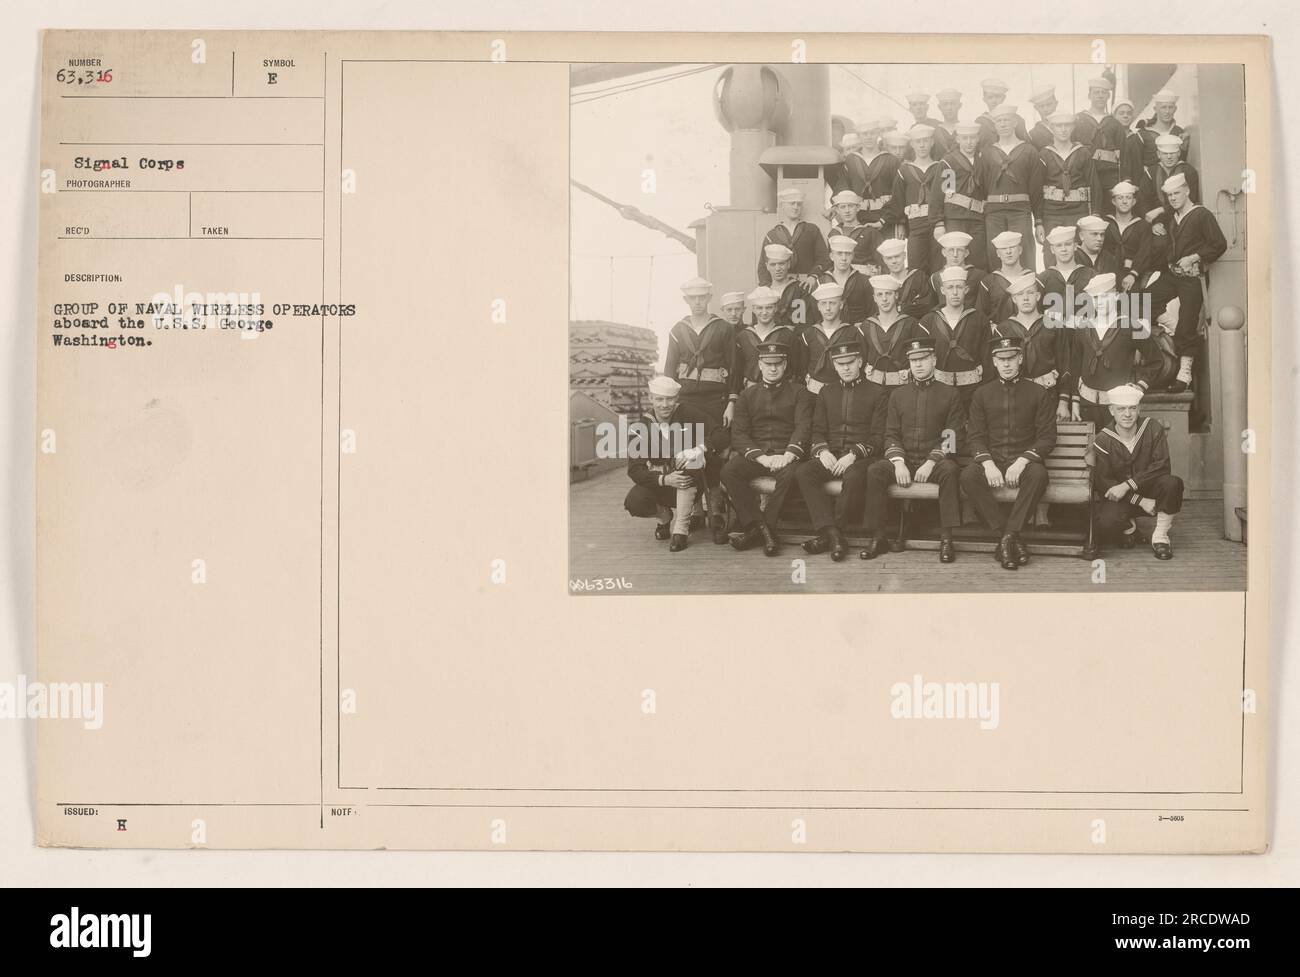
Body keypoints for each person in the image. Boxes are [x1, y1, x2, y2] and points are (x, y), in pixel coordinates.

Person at [862, 337, 965, 562]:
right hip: (905, 459)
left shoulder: (950, 394)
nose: (918, 364)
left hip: (935, 462)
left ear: (934, 359)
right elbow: (891, 434)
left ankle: (946, 539)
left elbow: (952, 436)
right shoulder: (898, 395)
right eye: (913, 360)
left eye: (923, 359)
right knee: (875, 471)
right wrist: (898, 462)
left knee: (950, 471)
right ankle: (878, 536)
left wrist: (931, 462)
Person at [960, 335, 1057, 571]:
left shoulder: (1038, 393)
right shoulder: (982, 394)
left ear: (1020, 358)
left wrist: (1022, 461)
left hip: (1022, 461)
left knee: (1039, 475)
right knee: (967, 476)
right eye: (1000, 359)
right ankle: (1009, 535)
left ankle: (1006, 538)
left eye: (1011, 358)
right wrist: (988, 464)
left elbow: (1047, 438)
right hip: (993, 460)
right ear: (993, 361)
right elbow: (975, 436)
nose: (1006, 364)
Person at [796, 341, 889, 561]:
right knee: (804, 472)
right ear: (834, 365)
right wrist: (823, 451)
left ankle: (831, 534)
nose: (845, 368)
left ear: (860, 362)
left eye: (850, 363)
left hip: (861, 457)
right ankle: (833, 533)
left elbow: (878, 437)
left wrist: (853, 454)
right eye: (840, 363)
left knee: (855, 475)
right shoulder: (827, 392)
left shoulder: (878, 392)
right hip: (831, 455)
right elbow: (817, 431)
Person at [722, 342, 813, 556]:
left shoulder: (799, 392)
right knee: (729, 471)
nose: (773, 369)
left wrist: (788, 455)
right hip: (759, 456)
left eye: (778, 363)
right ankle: (762, 529)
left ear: (785, 364)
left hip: (787, 456)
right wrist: (761, 458)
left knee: (793, 475)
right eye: (768, 364)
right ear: (760, 365)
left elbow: (804, 426)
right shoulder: (747, 395)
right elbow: (739, 434)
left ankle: (761, 530)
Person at [1147, 171, 1228, 392]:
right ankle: (1177, 328)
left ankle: (1184, 375)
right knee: (1143, 301)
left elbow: (1219, 244)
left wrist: (1195, 256)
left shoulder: (1201, 214)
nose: (1173, 198)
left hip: (1193, 278)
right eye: (1170, 195)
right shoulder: (1172, 217)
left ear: (1187, 191)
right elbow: (1159, 220)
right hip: (1173, 275)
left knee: (1188, 322)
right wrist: (1156, 223)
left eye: (1177, 193)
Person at [623, 375, 719, 552]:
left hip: (691, 482)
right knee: (634, 502)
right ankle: (664, 517)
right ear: (650, 398)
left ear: (676, 398)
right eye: (659, 399)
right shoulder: (640, 427)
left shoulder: (688, 413)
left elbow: (720, 433)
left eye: (669, 399)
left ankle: (681, 529)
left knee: (691, 463)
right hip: (662, 483)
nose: (664, 405)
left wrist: (699, 449)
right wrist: (664, 479)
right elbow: (635, 469)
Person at [1091, 383, 1184, 559]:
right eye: (1121, 409)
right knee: (1104, 523)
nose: (1127, 414)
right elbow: (1104, 483)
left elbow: (1162, 465)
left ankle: (1160, 537)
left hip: (1149, 490)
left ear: (1139, 409)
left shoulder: (1152, 427)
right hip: (1123, 499)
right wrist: (1140, 500)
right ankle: (1129, 526)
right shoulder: (1103, 439)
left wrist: (1128, 485)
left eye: (1132, 408)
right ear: (1111, 410)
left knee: (1173, 483)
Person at [1070, 272, 1160, 429]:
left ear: (1117, 296)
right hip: (1086, 404)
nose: (1100, 302)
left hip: (1118, 407)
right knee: (1090, 452)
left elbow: (1157, 360)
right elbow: (1075, 366)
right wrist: (1075, 401)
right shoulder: (1083, 328)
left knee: (1117, 451)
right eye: (1095, 298)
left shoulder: (1130, 325)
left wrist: (1140, 385)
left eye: (1105, 296)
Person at [993, 272, 1076, 418]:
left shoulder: (1054, 325)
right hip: (1014, 395)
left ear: (1038, 296)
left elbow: (1065, 364)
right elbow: (996, 369)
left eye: (1030, 293)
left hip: (1048, 394)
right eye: (1020, 294)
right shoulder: (1003, 329)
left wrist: (1063, 402)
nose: (1025, 298)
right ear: (1014, 299)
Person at [977, 103, 1042, 272]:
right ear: (994, 126)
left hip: (1020, 212)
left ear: (1015, 122)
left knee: (1023, 254)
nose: (1003, 124)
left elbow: (1035, 190)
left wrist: (1039, 221)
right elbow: (982, 185)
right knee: (995, 255)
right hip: (994, 213)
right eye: (999, 121)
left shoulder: (1029, 151)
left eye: (1006, 120)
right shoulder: (987, 153)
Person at [921, 264, 989, 412]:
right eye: (950, 287)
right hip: (939, 390)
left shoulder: (979, 319)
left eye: (959, 287)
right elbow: (923, 358)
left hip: (972, 389)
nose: (955, 292)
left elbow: (986, 357)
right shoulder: (928, 320)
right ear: (942, 290)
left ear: (966, 290)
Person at [1036, 110, 1095, 267]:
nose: (1063, 129)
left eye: (1067, 125)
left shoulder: (1083, 153)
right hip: (1052, 213)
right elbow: (1037, 189)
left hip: (1078, 212)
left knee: (1079, 253)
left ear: (1073, 127)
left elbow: (1094, 184)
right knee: (1052, 253)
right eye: (1058, 126)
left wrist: (1093, 216)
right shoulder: (1044, 154)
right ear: (1051, 128)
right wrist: (1039, 222)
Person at [888, 124, 945, 275]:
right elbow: (898, 199)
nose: (922, 145)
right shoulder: (904, 170)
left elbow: (949, 195)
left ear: (932, 142)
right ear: (912, 144)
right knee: (916, 266)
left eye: (925, 140)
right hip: (915, 225)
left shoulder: (943, 167)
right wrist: (900, 223)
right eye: (918, 141)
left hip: (937, 224)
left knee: (939, 265)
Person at [930, 122, 988, 270]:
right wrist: (939, 223)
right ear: (958, 139)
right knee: (955, 261)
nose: (969, 142)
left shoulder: (983, 161)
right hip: (955, 219)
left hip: (977, 219)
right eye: (965, 138)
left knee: (978, 260)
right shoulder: (949, 162)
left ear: (978, 138)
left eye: (972, 138)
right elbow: (939, 194)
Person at [799, 281, 865, 395]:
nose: (828, 308)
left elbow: (861, 362)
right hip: (815, 392)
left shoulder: (852, 332)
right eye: (823, 304)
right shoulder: (808, 334)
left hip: (843, 391)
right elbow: (802, 365)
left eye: (832, 303)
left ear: (841, 305)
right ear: (818, 306)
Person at [757, 187, 830, 287]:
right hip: (780, 286)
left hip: (806, 284)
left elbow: (824, 259)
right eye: (792, 203)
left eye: (799, 204)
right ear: (782, 205)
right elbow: (763, 266)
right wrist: (766, 288)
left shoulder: (811, 230)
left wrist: (813, 276)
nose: (796, 207)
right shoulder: (772, 235)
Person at [1073, 75, 1125, 214]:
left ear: (1108, 96)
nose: (1100, 96)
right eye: (1096, 92)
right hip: (1084, 174)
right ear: (1089, 95)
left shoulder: (1114, 123)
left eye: (1104, 93)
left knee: (1109, 211)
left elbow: (1122, 153)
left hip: (1109, 176)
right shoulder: (1078, 120)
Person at [733, 286, 799, 394]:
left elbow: (796, 368)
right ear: (753, 309)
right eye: (759, 308)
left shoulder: (787, 335)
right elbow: (738, 369)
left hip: (781, 392)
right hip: (751, 392)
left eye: (768, 308)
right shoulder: (743, 336)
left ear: (776, 308)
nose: (764, 312)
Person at [862, 273, 920, 395]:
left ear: (896, 295)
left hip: (903, 388)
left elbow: (917, 357)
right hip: (873, 389)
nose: (884, 299)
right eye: (879, 294)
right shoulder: (866, 325)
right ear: (874, 298)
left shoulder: (910, 323)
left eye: (888, 293)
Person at [1103, 179, 1159, 294]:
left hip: (1132, 273)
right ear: (1113, 201)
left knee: (1132, 302)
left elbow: (1144, 253)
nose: (1124, 202)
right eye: (1120, 198)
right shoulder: (1106, 223)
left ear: (1134, 201)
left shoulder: (1142, 225)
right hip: (1108, 272)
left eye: (1128, 198)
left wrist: (1133, 274)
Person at [855, 118, 904, 233]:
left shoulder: (891, 160)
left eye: (872, 133)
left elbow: (899, 195)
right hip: (858, 219)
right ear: (859, 136)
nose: (869, 137)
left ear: (878, 134)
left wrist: (900, 222)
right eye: (864, 134)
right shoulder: (851, 160)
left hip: (886, 219)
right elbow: (844, 188)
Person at [977, 230, 1033, 324]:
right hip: (1000, 335)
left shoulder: (1033, 278)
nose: (1008, 252)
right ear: (998, 253)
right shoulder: (987, 282)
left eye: (1012, 247)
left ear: (1020, 250)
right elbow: (981, 316)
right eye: (1004, 248)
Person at [820, 234, 876, 323]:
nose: (844, 258)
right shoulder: (821, 282)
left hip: (858, 332)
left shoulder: (864, 281)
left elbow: (873, 313)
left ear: (853, 256)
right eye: (839, 253)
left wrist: (863, 328)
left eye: (848, 254)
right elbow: (816, 314)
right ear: (831, 256)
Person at [877, 236, 934, 319]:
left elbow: (926, 305)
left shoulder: (919, 276)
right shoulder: (883, 283)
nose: (894, 261)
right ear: (884, 260)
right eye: (889, 258)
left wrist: (898, 309)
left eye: (897, 256)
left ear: (904, 255)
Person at [764, 242, 816, 329]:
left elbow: (803, 325)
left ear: (788, 264)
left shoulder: (800, 290)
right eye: (773, 264)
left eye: (781, 264)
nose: (777, 269)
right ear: (767, 266)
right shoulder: (763, 292)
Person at [928, 230, 984, 310]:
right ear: (943, 252)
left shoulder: (978, 276)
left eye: (960, 250)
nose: (955, 255)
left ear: (966, 253)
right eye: (951, 250)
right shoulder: (935, 277)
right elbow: (933, 307)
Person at [1135, 89, 1190, 169]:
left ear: (1175, 109)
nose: (1167, 111)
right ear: (1155, 109)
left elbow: (1182, 162)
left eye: (1170, 107)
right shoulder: (1142, 134)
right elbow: (1136, 164)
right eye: (1163, 107)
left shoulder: (1179, 132)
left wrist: (1184, 148)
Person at [829, 190, 884, 268]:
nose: (847, 211)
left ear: (858, 208)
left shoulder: (870, 232)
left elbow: (882, 261)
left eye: (851, 206)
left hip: (865, 277)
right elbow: (829, 263)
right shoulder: (833, 234)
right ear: (837, 210)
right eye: (843, 207)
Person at [975, 77, 1029, 148]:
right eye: (990, 97)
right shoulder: (980, 122)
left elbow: (1025, 144)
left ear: (1004, 98)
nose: (994, 101)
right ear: (984, 99)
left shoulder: (1017, 119)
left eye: (998, 97)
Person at [905, 90, 952, 157]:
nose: (918, 108)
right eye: (914, 105)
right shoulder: (910, 131)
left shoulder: (938, 125)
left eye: (921, 104)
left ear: (927, 107)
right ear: (910, 109)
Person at [1026, 84, 1058, 150]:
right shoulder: (1032, 135)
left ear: (1056, 104)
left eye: (1049, 104)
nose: (1045, 109)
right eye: (1041, 106)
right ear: (1036, 108)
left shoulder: (1069, 125)